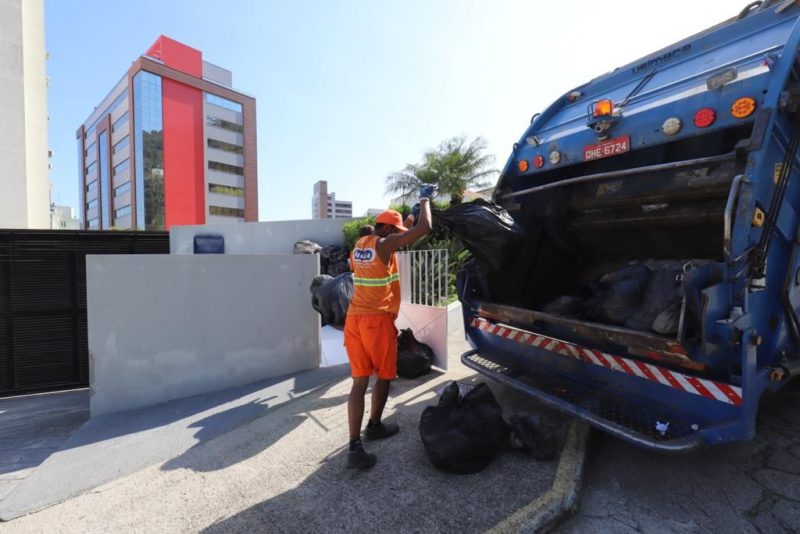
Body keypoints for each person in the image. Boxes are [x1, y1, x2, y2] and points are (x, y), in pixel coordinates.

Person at [344, 186, 434, 469]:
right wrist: (424, 199)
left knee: (359, 382)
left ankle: (354, 446)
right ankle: (374, 426)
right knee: (384, 376)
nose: (396, 235)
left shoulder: (361, 245)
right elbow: (425, 227)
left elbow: (401, 232)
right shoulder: (385, 245)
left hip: (354, 319)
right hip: (376, 321)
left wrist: (405, 223)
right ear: (385, 229)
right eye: (393, 230)